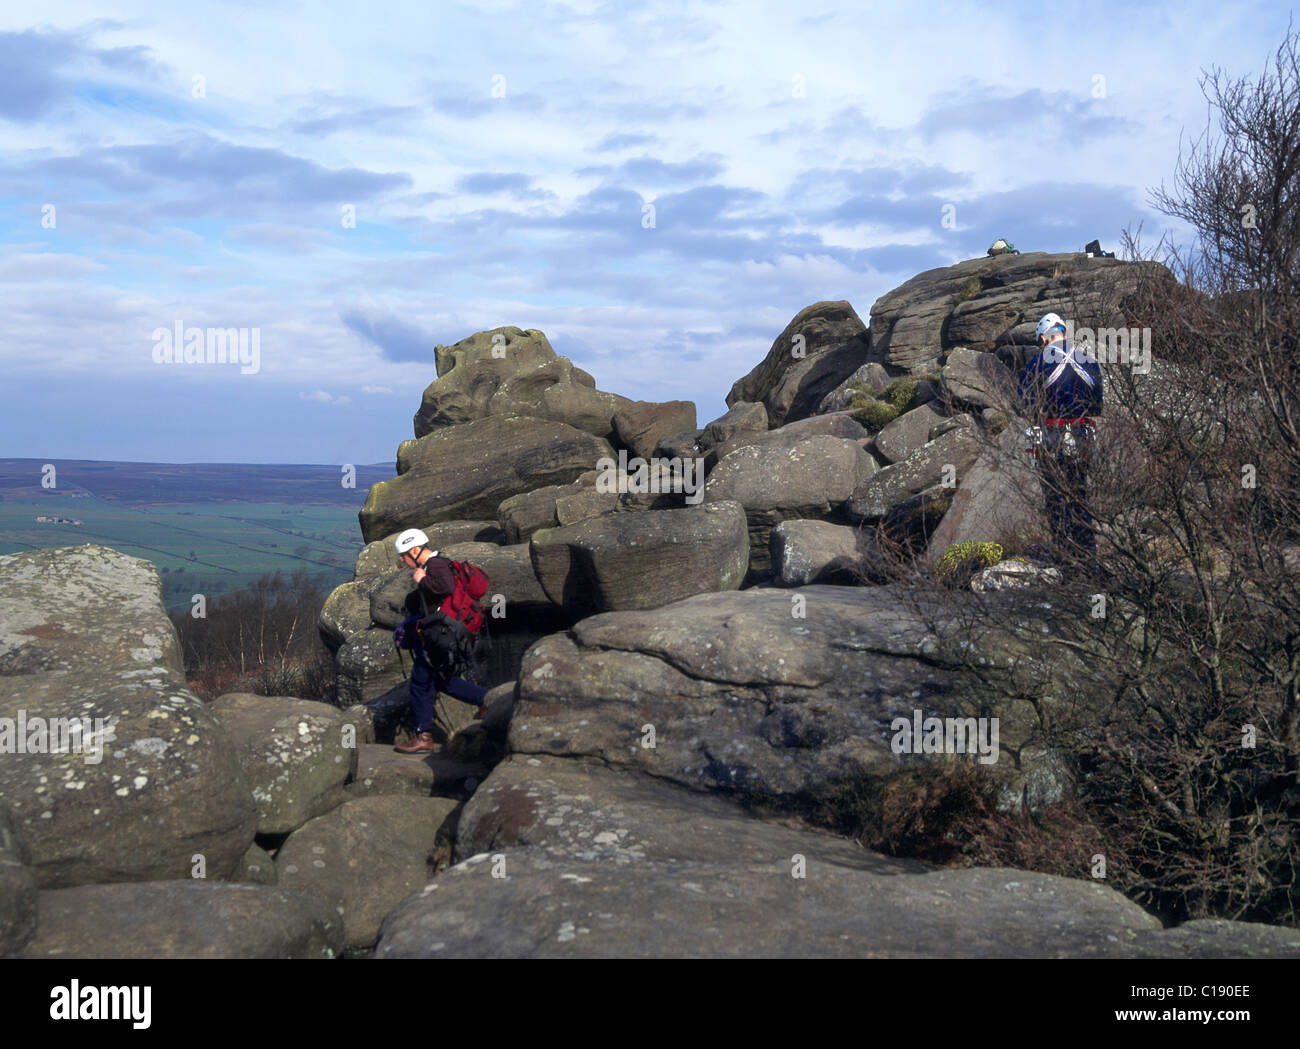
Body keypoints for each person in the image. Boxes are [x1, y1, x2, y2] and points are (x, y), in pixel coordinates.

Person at [390, 528, 488, 754]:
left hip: (441, 637)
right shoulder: (438, 564)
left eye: (404, 556)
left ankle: (423, 736)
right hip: (448, 636)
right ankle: (487, 700)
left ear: (415, 550)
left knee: (420, 682)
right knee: (444, 681)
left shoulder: (435, 566)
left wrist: (422, 580)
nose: (403, 561)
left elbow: (445, 587)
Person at [1017, 312, 1104, 564]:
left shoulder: (1037, 362)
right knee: (1079, 494)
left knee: (1055, 497)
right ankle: (1088, 556)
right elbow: (1097, 404)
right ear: (1064, 333)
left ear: (1044, 339)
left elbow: (1024, 403)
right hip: (1083, 433)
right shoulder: (1089, 359)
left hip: (1051, 435)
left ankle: (1065, 556)